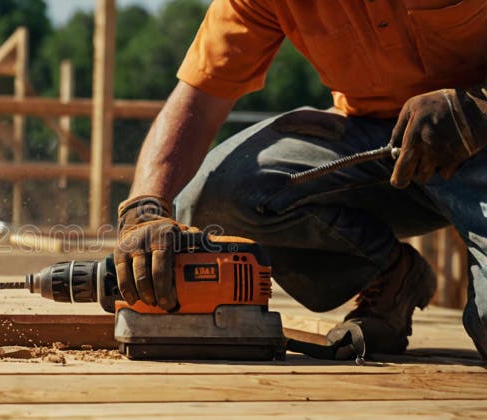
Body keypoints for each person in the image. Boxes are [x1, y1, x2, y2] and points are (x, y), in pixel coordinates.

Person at [114, 0, 487, 358]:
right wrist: (145, 207)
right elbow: (197, 103)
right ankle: (393, 273)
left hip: (480, 143)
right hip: (378, 146)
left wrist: (479, 107)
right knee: (216, 199)